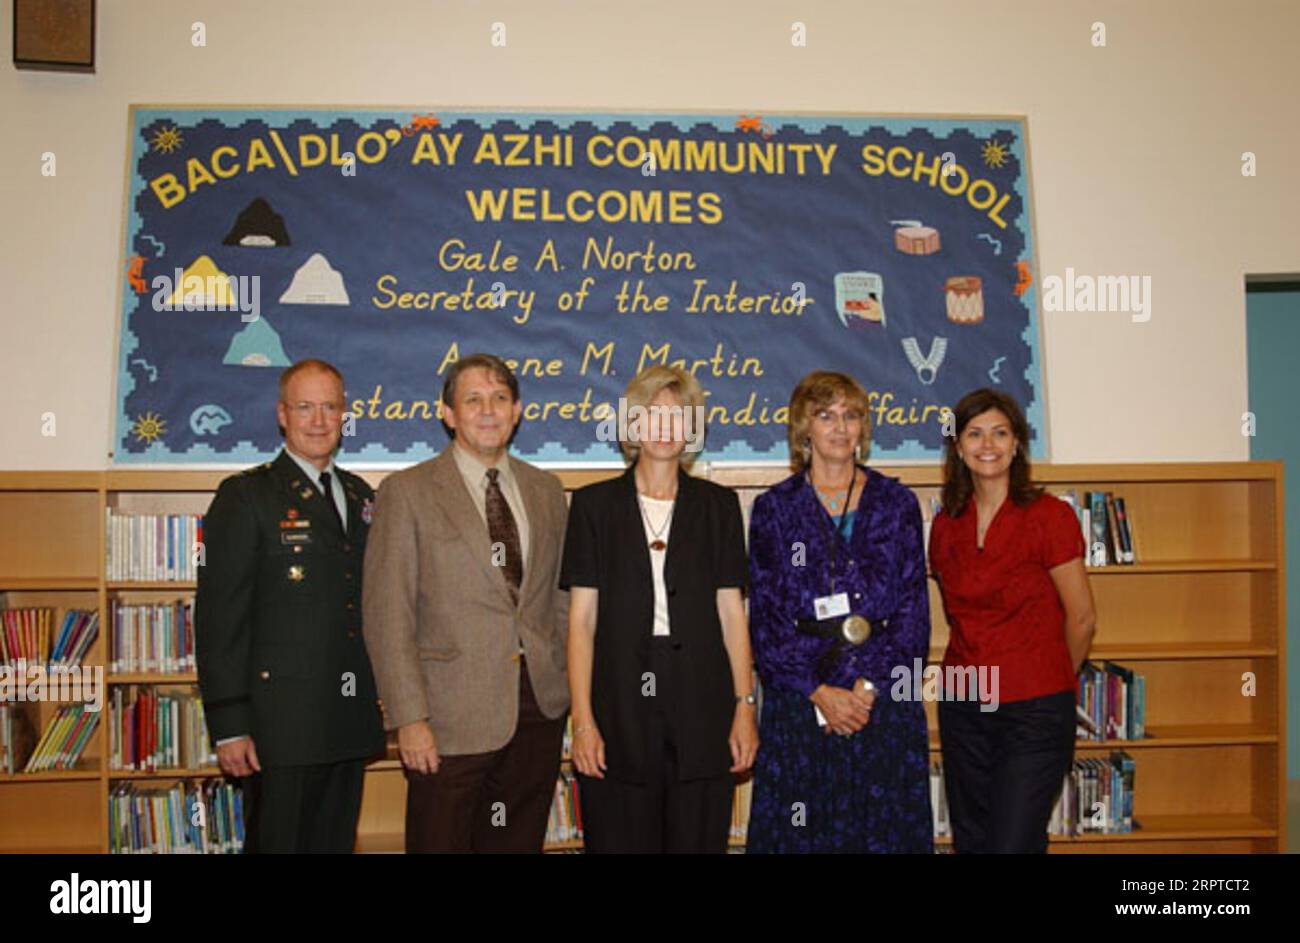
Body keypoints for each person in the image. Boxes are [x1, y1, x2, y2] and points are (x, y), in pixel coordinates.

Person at [362, 353, 570, 853]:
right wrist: (409, 719)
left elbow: (560, 600)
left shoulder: (546, 491)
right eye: (472, 399)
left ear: (517, 410)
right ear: (448, 413)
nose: (488, 410)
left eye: (500, 398)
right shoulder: (406, 493)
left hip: (537, 711)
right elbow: (387, 614)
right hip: (448, 719)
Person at [560, 365, 758, 853]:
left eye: (679, 416)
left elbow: (733, 615)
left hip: (702, 706)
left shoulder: (718, 507)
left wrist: (744, 706)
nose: (666, 428)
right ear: (631, 426)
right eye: (653, 416)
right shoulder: (593, 508)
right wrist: (582, 721)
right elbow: (582, 624)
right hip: (619, 706)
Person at [196, 358, 385, 853]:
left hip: (345, 718)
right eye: (305, 407)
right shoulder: (247, 496)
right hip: (278, 727)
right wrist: (229, 724)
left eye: (330, 407)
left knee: (335, 844)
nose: (319, 420)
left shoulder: (361, 495)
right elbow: (219, 619)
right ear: (282, 414)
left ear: (345, 414)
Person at [746, 370, 933, 853]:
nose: (839, 427)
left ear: (864, 427)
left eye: (851, 415)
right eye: (825, 415)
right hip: (801, 702)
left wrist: (865, 690)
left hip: (883, 702)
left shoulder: (897, 504)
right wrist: (819, 692)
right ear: (802, 427)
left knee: (883, 834)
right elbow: (765, 621)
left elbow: (914, 612)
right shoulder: (774, 509)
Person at [929, 387, 1096, 853]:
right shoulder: (946, 524)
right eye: (975, 433)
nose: (988, 444)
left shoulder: (1050, 516)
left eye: (1000, 433)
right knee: (974, 840)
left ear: (1018, 442)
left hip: (1035, 710)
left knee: (1012, 843)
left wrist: (1054, 679)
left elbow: (1082, 618)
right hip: (964, 704)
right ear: (958, 446)